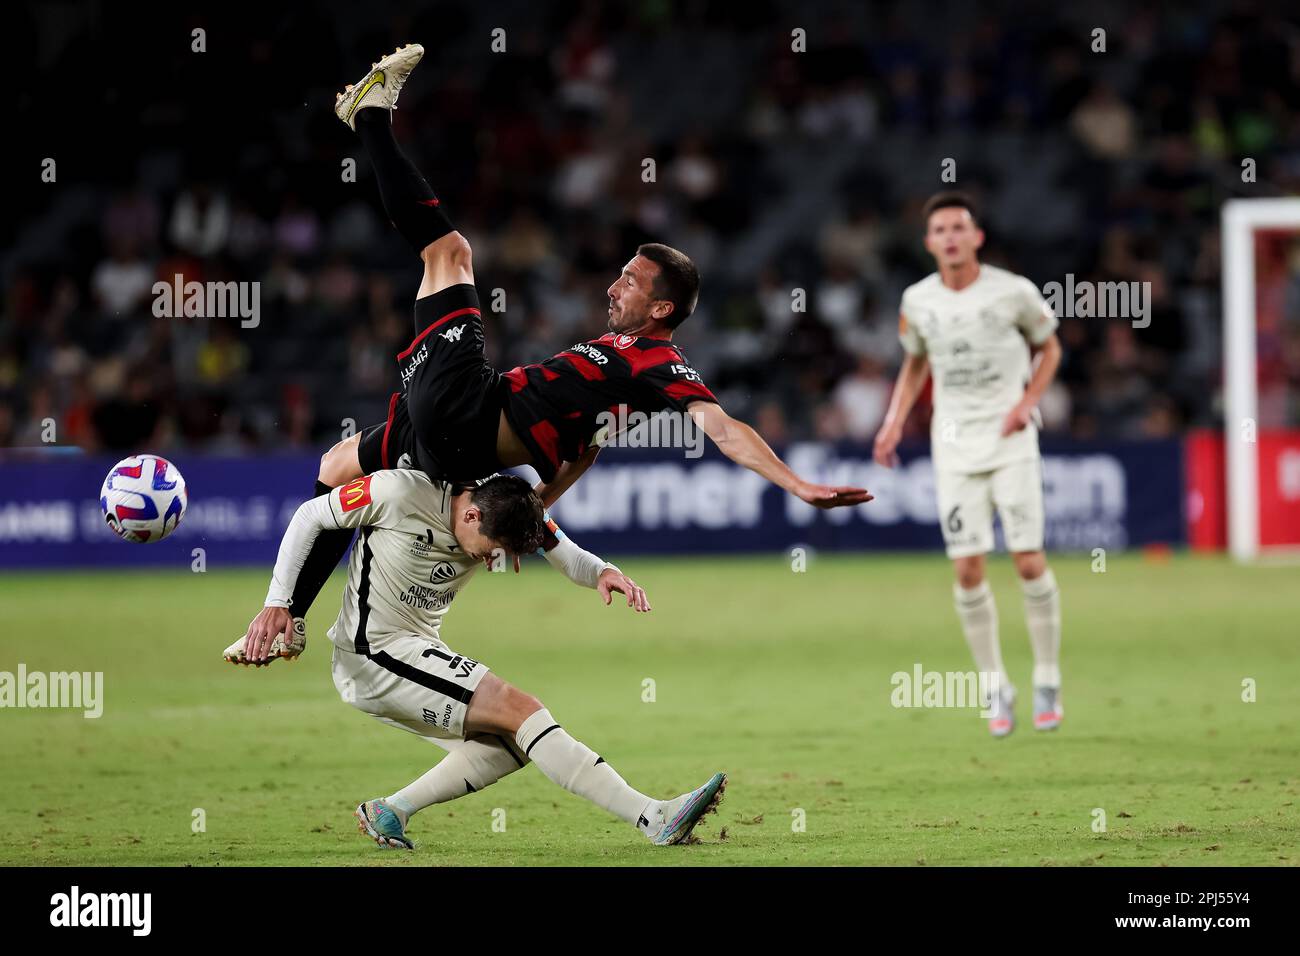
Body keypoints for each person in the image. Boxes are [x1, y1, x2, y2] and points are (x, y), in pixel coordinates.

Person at [283, 43, 872, 630]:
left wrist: (797, 484)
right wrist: (538, 508)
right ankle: (288, 617)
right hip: (460, 442)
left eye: (631, 281)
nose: (613, 288)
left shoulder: (657, 361)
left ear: (662, 306)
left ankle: (370, 113)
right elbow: (586, 445)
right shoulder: (619, 378)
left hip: (467, 409)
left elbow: (725, 430)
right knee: (337, 466)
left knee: (449, 251)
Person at [224, 470, 725, 848]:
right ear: (470, 516)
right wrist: (278, 604)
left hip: (416, 651)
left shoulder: (503, 508)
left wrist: (602, 573)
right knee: (523, 711)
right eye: (492, 550)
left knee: (516, 741)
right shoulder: (398, 493)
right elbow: (310, 515)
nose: (492, 562)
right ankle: (652, 818)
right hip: (372, 652)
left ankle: (391, 811)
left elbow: (563, 550)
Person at [873, 192, 1064, 737]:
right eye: (941, 229)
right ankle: (995, 688)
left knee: (1028, 561)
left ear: (977, 236)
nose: (951, 236)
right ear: (929, 241)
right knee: (967, 569)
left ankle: (1047, 677)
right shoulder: (919, 300)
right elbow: (914, 364)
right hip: (953, 446)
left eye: (960, 227)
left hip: (1012, 441)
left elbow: (1049, 348)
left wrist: (1028, 401)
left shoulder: (1014, 292)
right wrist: (892, 421)